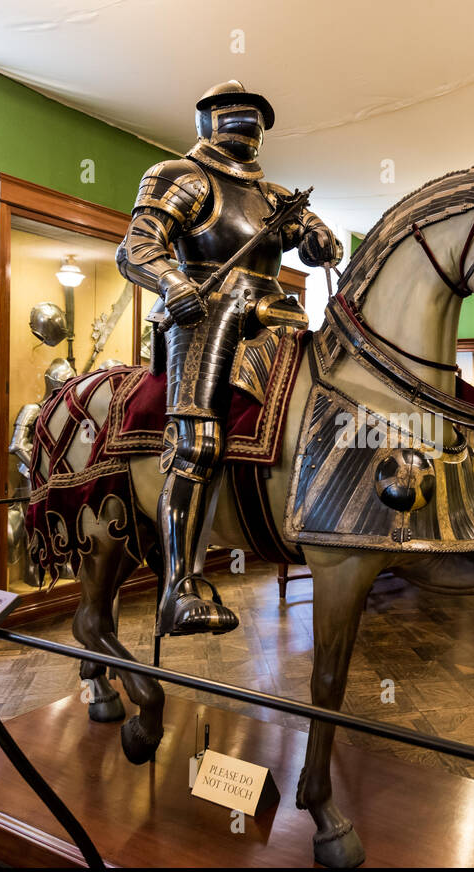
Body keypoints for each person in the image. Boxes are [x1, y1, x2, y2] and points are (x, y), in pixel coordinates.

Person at [116, 81, 343, 636]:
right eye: (231, 112)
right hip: (204, 313)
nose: (246, 120)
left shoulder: (273, 195)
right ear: (206, 119)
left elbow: (313, 241)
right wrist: (171, 283)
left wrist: (319, 241)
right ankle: (179, 587)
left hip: (273, 314)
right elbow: (137, 247)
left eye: (256, 115)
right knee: (198, 440)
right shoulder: (180, 176)